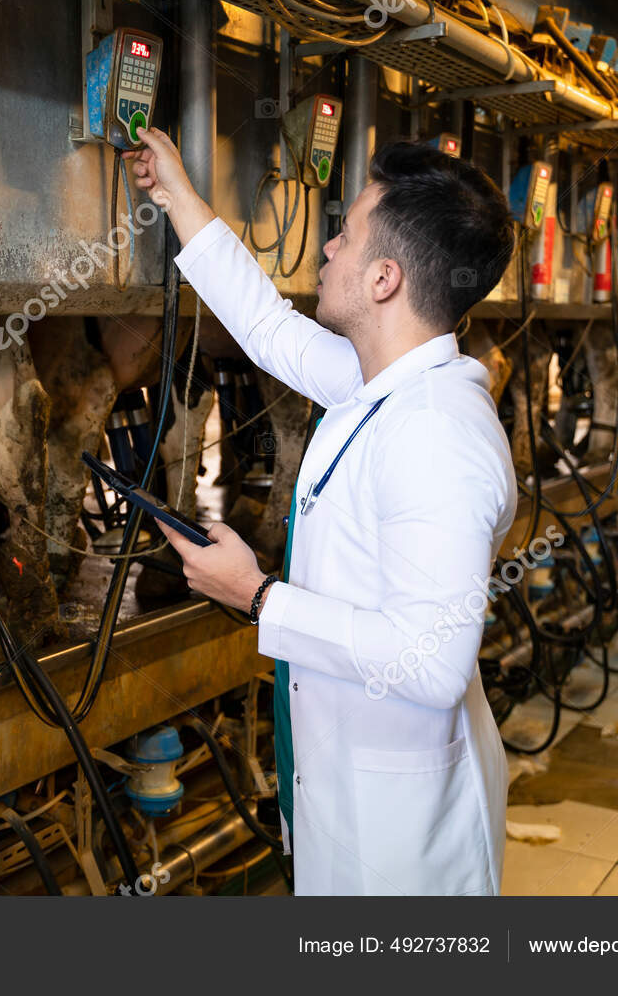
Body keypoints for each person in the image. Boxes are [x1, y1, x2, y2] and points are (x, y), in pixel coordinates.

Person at [128, 128, 518, 895]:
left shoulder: (438, 433)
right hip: (353, 800)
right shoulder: (383, 384)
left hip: (407, 849)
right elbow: (268, 327)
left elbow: (432, 661)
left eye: (344, 235)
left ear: (383, 278)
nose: (327, 249)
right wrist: (175, 192)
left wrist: (257, 596)